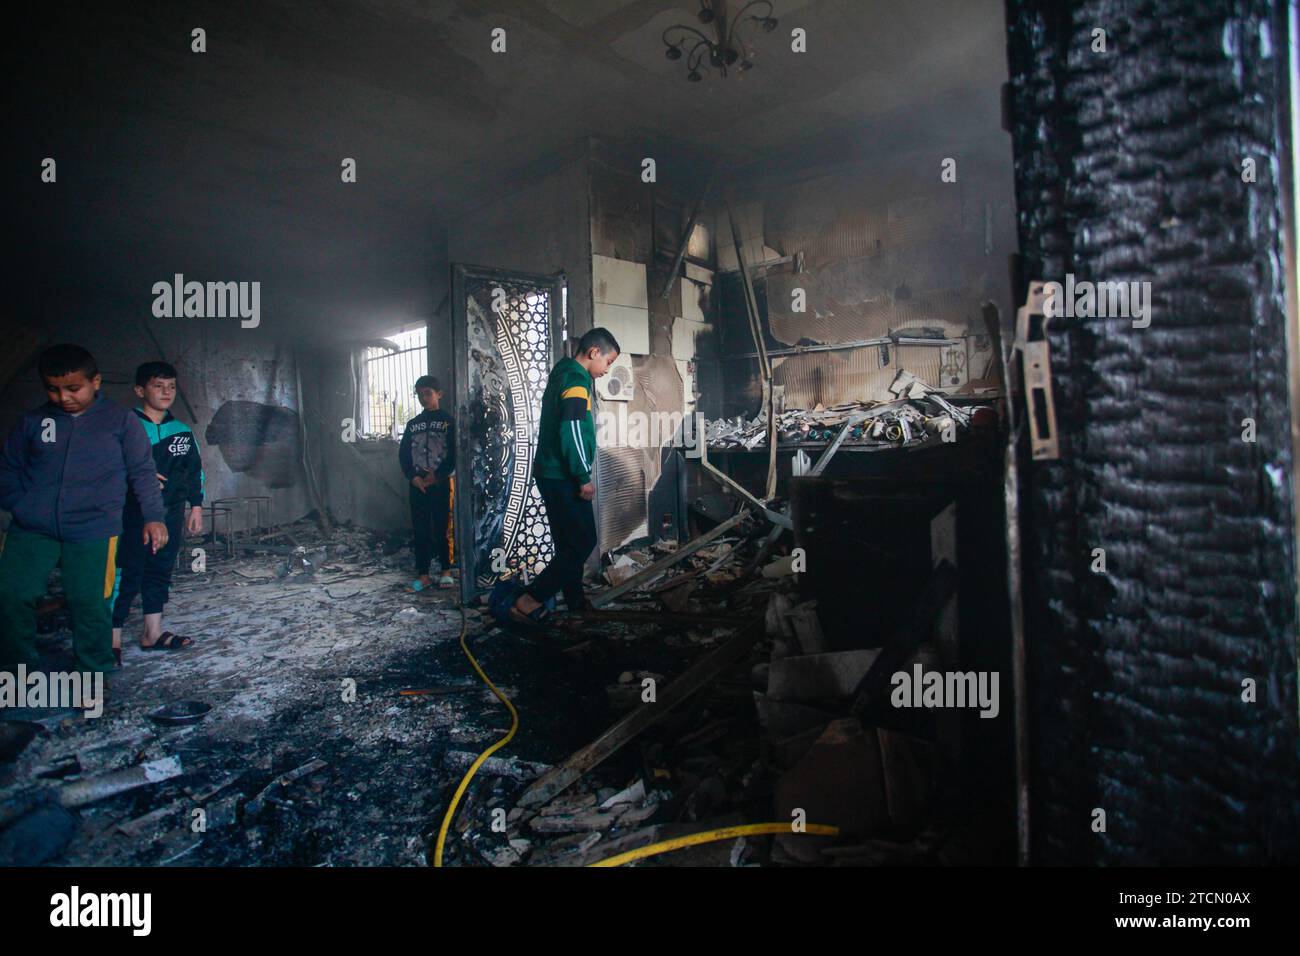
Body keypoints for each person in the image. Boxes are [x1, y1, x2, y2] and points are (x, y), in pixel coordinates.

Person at [0, 344, 168, 674]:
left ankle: (93, 672)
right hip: (32, 528)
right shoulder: (33, 422)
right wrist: (21, 505)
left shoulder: (119, 422)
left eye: (73, 388)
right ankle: (15, 669)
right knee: (10, 595)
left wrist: (154, 517)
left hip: (94, 529)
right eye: (53, 389)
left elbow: (143, 472)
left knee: (90, 603)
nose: (63, 398)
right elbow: (8, 468)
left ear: (96, 382)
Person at [509, 328, 620, 625]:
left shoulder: (564, 373)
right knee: (583, 541)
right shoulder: (575, 381)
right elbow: (570, 430)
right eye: (608, 362)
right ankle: (529, 599)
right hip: (563, 475)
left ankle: (575, 601)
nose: (607, 370)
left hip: (552, 472)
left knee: (566, 542)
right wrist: (583, 476)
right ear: (594, 352)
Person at [110, 361, 204, 659]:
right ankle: (110, 640)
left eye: (171, 386)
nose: (166, 392)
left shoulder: (182, 432)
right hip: (131, 513)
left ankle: (152, 632)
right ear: (140, 390)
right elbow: (104, 467)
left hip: (171, 511)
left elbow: (194, 471)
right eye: (157, 386)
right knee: (125, 572)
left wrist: (196, 506)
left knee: (160, 568)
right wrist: (135, 477)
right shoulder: (125, 426)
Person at [399, 374, 455, 590]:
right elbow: (404, 454)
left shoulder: (449, 422)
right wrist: (413, 477)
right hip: (418, 485)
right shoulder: (413, 424)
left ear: (439, 394)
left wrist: (438, 475)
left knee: (443, 527)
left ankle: (445, 571)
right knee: (420, 529)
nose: (424, 398)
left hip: (441, 483)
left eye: (428, 393)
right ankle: (423, 574)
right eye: (420, 394)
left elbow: (454, 453)